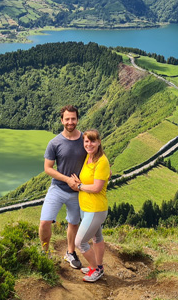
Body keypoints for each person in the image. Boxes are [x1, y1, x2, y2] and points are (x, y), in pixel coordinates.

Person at [39, 105, 85, 270]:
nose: (70, 122)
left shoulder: (85, 140)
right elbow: (48, 168)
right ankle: (45, 253)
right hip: (58, 189)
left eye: (73, 119)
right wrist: (68, 180)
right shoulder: (54, 143)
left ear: (77, 119)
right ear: (62, 121)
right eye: (67, 119)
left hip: (77, 192)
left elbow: (96, 158)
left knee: (73, 223)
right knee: (45, 222)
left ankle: (70, 253)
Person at [70, 129, 110, 283]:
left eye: (92, 141)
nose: (89, 144)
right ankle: (97, 266)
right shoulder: (89, 157)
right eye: (86, 141)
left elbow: (96, 188)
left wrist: (79, 187)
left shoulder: (102, 161)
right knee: (97, 237)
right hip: (86, 208)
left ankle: (96, 269)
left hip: (95, 209)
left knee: (79, 242)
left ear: (99, 142)